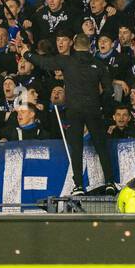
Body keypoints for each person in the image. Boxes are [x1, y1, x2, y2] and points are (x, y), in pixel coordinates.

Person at [18, 35, 117, 196]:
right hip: (93, 109)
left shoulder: (67, 61)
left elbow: (45, 63)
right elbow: (109, 91)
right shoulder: (99, 65)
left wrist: (27, 54)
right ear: (90, 46)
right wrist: (102, 106)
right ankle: (110, 182)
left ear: (74, 46)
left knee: (76, 148)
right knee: (101, 147)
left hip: (74, 111)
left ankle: (78, 185)